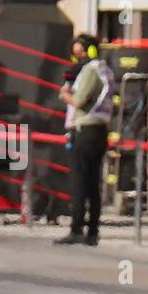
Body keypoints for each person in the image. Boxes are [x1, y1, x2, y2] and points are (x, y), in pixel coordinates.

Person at [55, 34, 114, 247]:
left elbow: (79, 101)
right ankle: (93, 231)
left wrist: (65, 95)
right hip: (99, 131)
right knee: (92, 183)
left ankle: (77, 229)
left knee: (79, 182)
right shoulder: (106, 70)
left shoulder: (91, 70)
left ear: (89, 51)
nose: (77, 58)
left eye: (80, 53)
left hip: (85, 130)